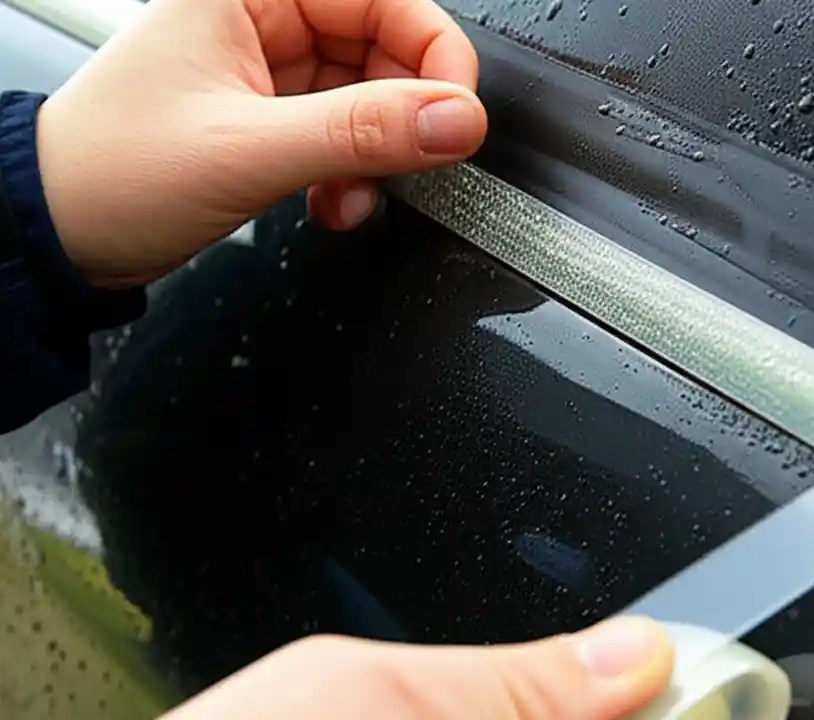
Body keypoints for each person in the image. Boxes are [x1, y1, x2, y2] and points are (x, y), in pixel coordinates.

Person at [0, 0, 675, 716]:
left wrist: (36, 196)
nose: (505, 293)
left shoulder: (412, 356)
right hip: (234, 584)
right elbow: (133, 465)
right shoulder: (261, 319)